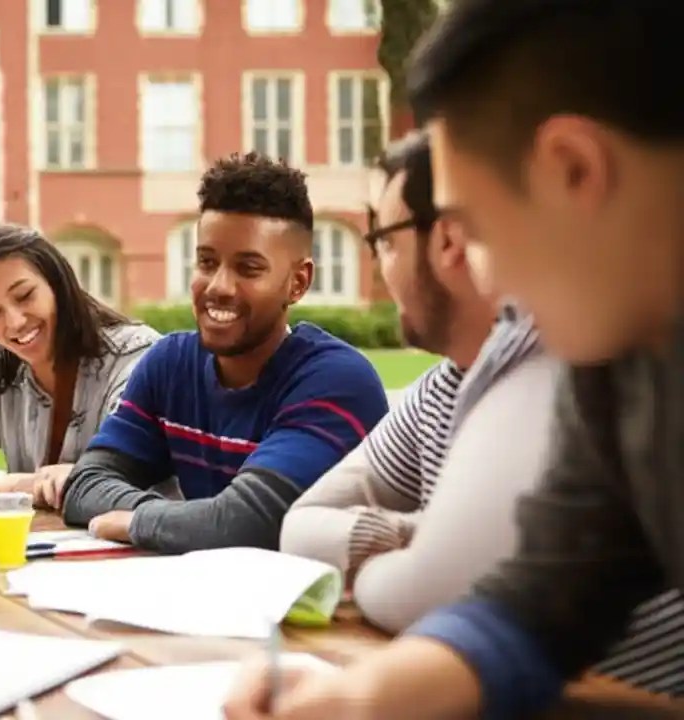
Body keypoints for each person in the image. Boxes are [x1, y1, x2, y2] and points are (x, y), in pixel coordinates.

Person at [221, 1, 684, 717]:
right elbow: (538, 607)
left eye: (474, 227)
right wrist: (359, 698)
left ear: (573, 170)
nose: (487, 281)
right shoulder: (621, 365)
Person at [280, 130, 684, 694]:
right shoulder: (444, 388)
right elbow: (300, 523)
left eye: (385, 240)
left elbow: (434, 592)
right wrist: (422, 536)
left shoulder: (567, 358)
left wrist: (406, 560)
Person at [60, 152, 389, 554]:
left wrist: (142, 522)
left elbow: (247, 525)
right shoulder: (170, 364)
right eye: (206, 262)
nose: (219, 286)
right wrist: (184, 521)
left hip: (323, 610)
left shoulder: (336, 381)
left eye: (248, 268)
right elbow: (85, 484)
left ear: (297, 283)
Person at [0, 222, 161, 508]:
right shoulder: (0, 371)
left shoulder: (135, 357)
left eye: (24, 296)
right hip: (40, 545)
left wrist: (7, 484)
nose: (15, 322)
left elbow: (111, 480)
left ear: (57, 284)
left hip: (142, 546)